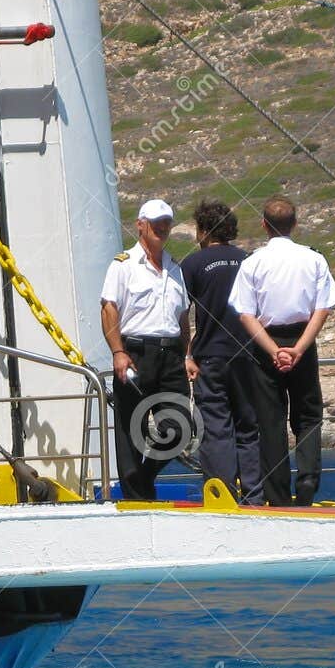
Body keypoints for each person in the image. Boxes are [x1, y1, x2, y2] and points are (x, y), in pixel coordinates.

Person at [229, 195, 335, 507]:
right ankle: (307, 478)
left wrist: (273, 350)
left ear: (264, 225)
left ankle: (277, 495)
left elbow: (245, 315)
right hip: (302, 341)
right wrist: (299, 349)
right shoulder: (314, 260)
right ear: (295, 223)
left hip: (266, 343)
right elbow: (323, 308)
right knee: (308, 414)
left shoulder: (252, 263)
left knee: (270, 419)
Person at [100, 198, 194, 502]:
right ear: (141, 225)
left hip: (172, 355)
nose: (162, 229)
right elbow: (109, 308)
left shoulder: (174, 268)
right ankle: (135, 497)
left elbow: (183, 317)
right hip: (136, 352)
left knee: (179, 427)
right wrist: (117, 352)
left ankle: (144, 476)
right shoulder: (124, 264)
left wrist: (188, 354)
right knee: (130, 430)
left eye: (166, 223)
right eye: (156, 223)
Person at [180, 199, 261, 504]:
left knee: (216, 428)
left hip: (210, 356)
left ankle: (223, 494)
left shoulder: (193, 264)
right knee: (248, 427)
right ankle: (253, 495)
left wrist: (186, 355)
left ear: (203, 230)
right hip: (248, 354)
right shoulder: (248, 261)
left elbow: (180, 313)